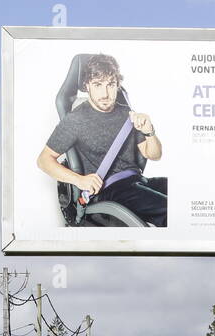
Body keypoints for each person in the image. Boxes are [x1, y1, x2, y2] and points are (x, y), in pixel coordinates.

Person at [36, 53, 167, 227]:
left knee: (187, 196)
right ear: (87, 85)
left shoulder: (126, 113)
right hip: (110, 190)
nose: (105, 94)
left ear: (117, 85)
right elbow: (43, 160)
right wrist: (80, 180)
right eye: (98, 85)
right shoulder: (76, 119)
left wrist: (149, 132)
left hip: (138, 181)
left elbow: (154, 154)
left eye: (110, 84)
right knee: (169, 209)